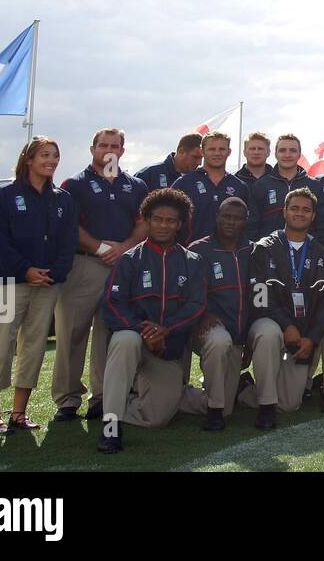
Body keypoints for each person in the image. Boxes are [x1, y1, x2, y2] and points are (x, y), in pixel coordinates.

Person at [0, 137, 78, 437]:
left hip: (48, 285)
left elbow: (68, 242)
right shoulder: (5, 196)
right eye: (45, 155)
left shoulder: (63, 200)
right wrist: (25, 270)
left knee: (33, 347)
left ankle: (19, 412)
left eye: (55, 155)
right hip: (10, 284)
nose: (52, 160)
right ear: (29, 159)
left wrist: (53, 273)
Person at [99, 188, 207, 453]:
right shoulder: (129, 259)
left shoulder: (192, 261)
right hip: (135, 340)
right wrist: (143, 330)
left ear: (180, 224)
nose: (163, 225)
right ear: (147, 220)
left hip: (167, 348)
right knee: (125, 339)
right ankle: (110, 426)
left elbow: (196, 305)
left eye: (171, 220)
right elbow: (112, 303)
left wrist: (165, 330)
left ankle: (131, 396)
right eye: (158, 219)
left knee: (158, 418)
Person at [52, 127, 147, 423]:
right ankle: (67, 399)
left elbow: (143, 224)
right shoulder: (74, 184)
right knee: (72, 333)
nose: (108, 149)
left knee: (109, 334)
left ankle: (103, 396)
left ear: (122, 150)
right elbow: (68, 225)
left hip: (122, 266)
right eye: (103, 144)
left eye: (114, 145)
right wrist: (99, 247)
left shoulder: (136, 185)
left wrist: (125, 248)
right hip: (84, 264)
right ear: (92, 148)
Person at [241, 188, 324, 429]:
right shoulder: (264, 247)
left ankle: (244, 388)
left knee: (289, 404)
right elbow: (259, 298)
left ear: (314, 216)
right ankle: (265, 407)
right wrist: (286, 325)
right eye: (294, 208)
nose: (300, 213)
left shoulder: (321, 252)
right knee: (268, 332)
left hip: (304, 331)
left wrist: (312, 338)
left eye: (306, 210)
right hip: (270, 322)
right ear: (284, 211)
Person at [180, 196, 252, 430]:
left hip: (238, 336)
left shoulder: (252, 250)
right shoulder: (198, 250)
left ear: (245, 222)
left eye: (237, 218)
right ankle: (213, 411)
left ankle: (183, 396)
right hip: (206, 331)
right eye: (226, 216)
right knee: (219, 340)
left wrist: (249, 341)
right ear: (217, 218)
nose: (231, 222)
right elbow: (183, 294)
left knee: (228, 406)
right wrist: (203, 313)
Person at [172, 132, 248, 243]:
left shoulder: (240, 186)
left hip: (228, 254)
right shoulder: (184, 183)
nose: (217, 153)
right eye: (212, 149)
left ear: (229, 152)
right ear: (202, 152)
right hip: (191, 254)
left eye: (222, 149)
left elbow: (246, 225)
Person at [246, 133, 315, 240]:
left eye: (293, 150)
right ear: (275, 154)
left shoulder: (314, 185)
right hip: (268, 252)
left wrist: (315, 248)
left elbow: (321, 223)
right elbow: (252, 225)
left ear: (299, 155)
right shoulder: (261, 185)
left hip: (306, 252)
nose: (287, 155)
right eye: (282, 150)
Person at [135, 133, 203, 191]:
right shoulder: (149, 175)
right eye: (195, 157)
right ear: (181, 152)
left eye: (201, 158)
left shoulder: (202, 179)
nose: (199, 163)